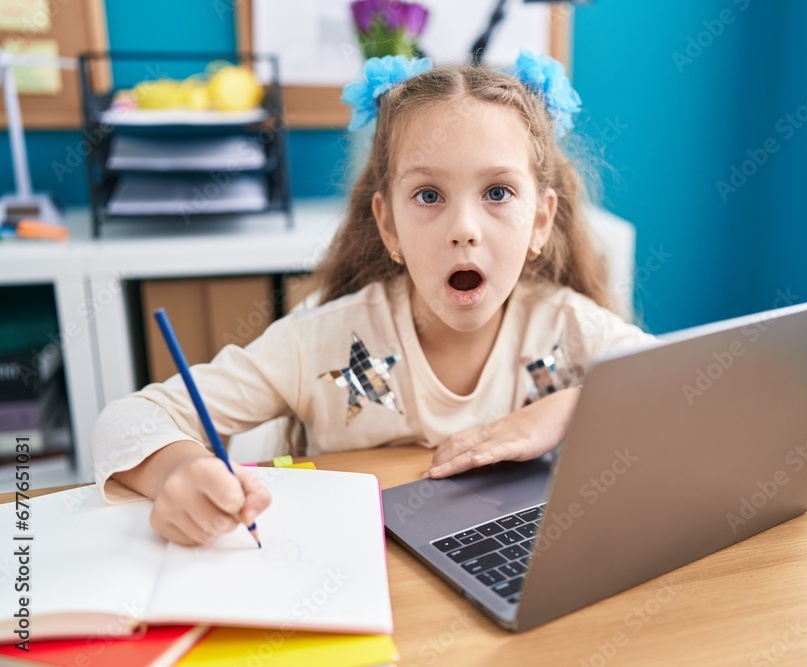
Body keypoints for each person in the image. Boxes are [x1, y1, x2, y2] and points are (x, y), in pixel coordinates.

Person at [90, 51, 657, 546]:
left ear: (540, 220)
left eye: (498, 192)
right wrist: (175, 469)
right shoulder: (320, 342)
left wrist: (572, 406)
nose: (464, 228)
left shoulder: (566, 324)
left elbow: (691, 388)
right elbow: (126, 420)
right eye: (429, 194)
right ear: (388, 226)